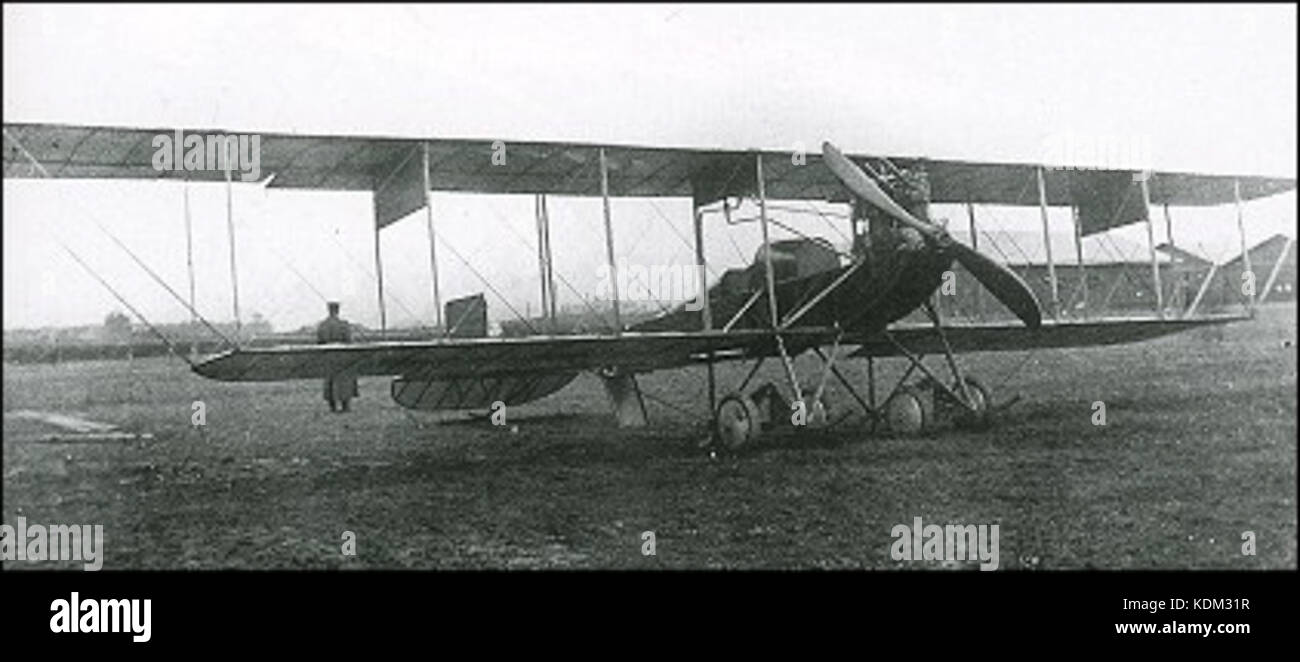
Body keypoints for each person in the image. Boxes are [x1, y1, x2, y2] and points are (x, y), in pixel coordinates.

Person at [316, 301, 358, 412]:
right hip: (343, 356)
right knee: (344, 380)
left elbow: (319, 342)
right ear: (338, 310)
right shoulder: (344, 324)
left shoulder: (322, 325)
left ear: (328, 310)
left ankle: (332, 406)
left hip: (328, 356)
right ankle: (345, 406)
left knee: (329, 380)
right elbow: (349, 341)